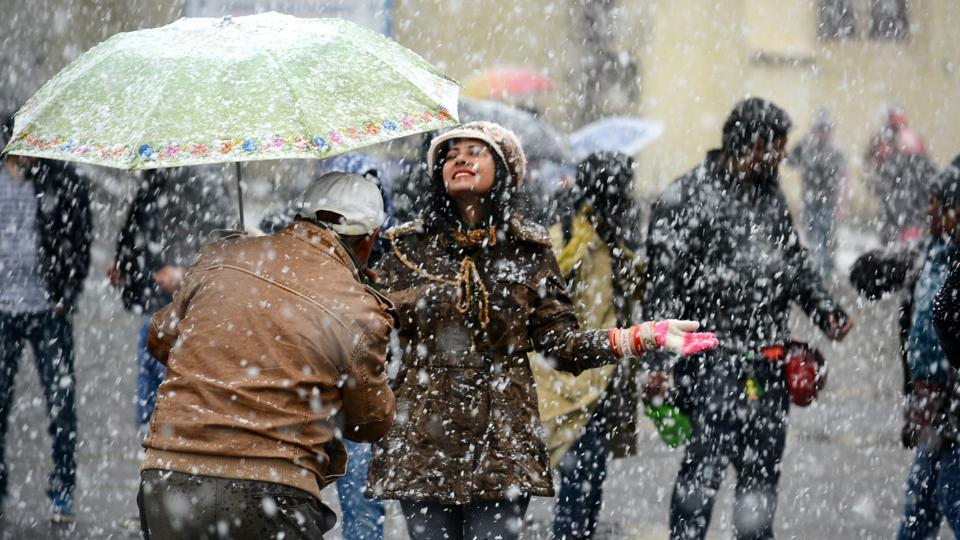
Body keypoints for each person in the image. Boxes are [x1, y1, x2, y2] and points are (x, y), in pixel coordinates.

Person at [366, 121, 719, 540]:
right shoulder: (406, 249)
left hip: (502, 440)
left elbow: (563, 345)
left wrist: (641, 336)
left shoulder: (530, 251)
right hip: (425, 437)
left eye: (474, 152)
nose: (459, 159)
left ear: (504, 170)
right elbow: (366, 331)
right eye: (450, 153)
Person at [137, 172, 397, 539]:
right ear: (369, 240)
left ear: (301, 216)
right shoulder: (359, 309)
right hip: (274, 487)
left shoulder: (224, 256)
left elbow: (161, 337)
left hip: (170, 474)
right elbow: (370, 421)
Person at [644, 98, 853, 540]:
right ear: (751, 145)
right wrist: (658, 364)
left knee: (759, 486)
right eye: (776, 147)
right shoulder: (685, 197)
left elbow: (793, 263)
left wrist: (825, 310)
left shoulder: (770, 195)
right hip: (709, 364)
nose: (781, 157)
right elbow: (661, 289)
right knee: (700, 479)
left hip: (768, 363)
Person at [543, 151, 644, 539]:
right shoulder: (571, 233)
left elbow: (630, 292)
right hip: (571, 380)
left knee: (590, 480)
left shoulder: (612, 236)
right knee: (578, 481)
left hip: (603, 378)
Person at [0, 117, 92, 523]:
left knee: (61, 404)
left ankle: (63, 489)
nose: (27, 156)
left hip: (48, 310)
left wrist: (67, 294)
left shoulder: (61, 180)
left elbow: (81, 240)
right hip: (3, 311)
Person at [107, 167, 231, 440]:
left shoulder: (202, 178)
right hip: (157, 313)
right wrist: (125, 266)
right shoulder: (156, 173)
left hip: (187, 319)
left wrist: (185, 274)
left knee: (177, 413)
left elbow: (224, 245)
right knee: (152, 414)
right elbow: (141, 229)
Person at [786, 108, 846, 279]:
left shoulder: (833, 149)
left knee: (825, 233)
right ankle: (817, 267)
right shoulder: (806, 145)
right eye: (820, 129)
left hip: (826, 200)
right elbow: (790, 160)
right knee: (814, 233)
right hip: (811, 198)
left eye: (826, 129)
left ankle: (825, 267)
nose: (823, 133)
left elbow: (840, 169)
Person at [865, 107, 938, 244]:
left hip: (902, 206)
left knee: (897, 242)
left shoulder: (893, 146)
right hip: (904, 206)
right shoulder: (889, 144)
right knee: (902, 242)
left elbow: (876, 177)